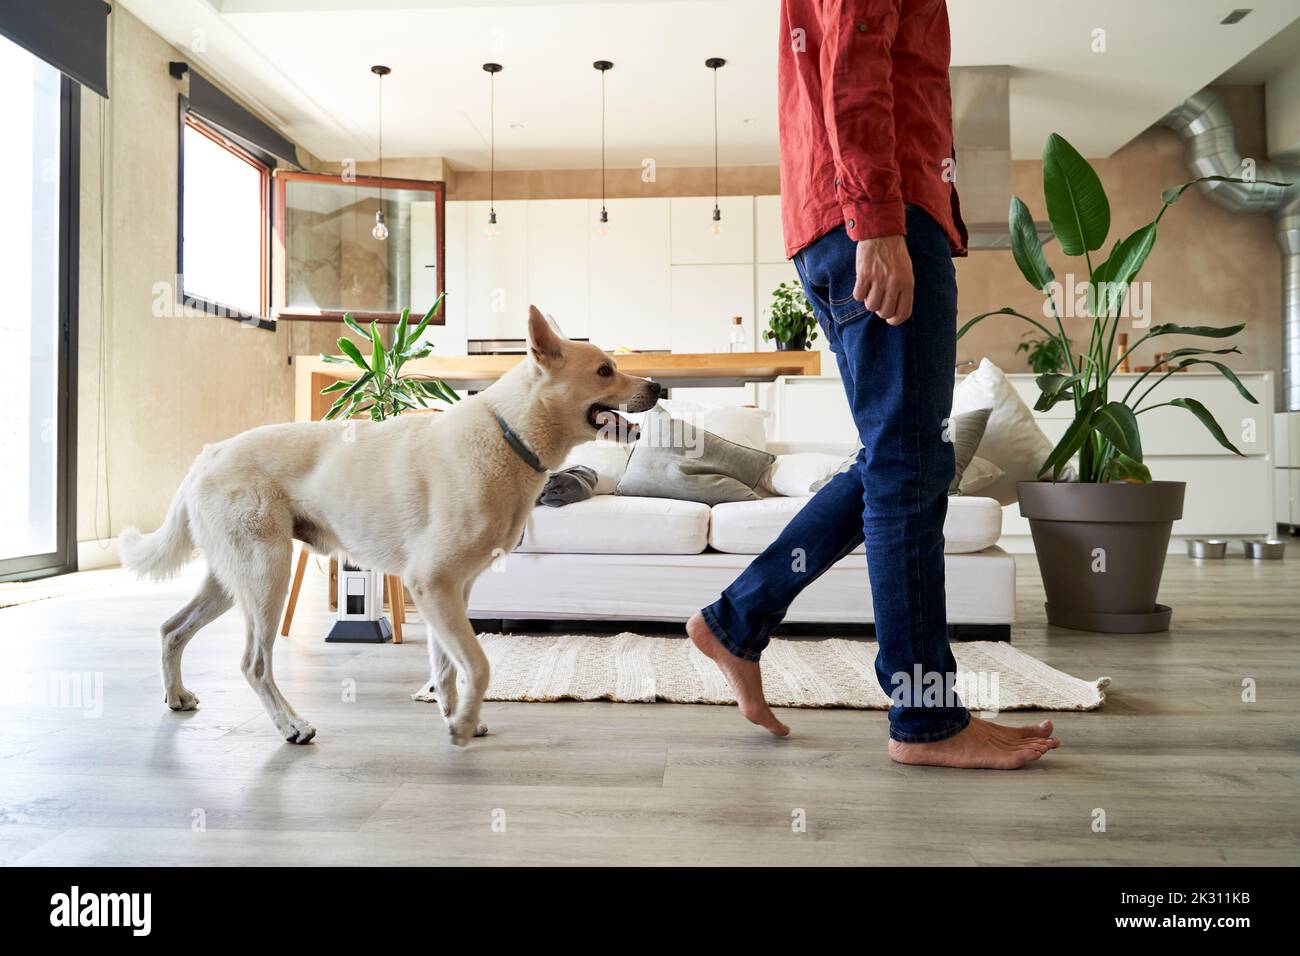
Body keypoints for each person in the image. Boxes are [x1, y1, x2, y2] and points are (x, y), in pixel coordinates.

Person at [686, 0, 1060, 769]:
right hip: (878, 218)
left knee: (898, 458)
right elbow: (855, 69)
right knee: (905, 463)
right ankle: (925, 717)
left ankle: (737, 620)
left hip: (843, 217)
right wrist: (878, 220)